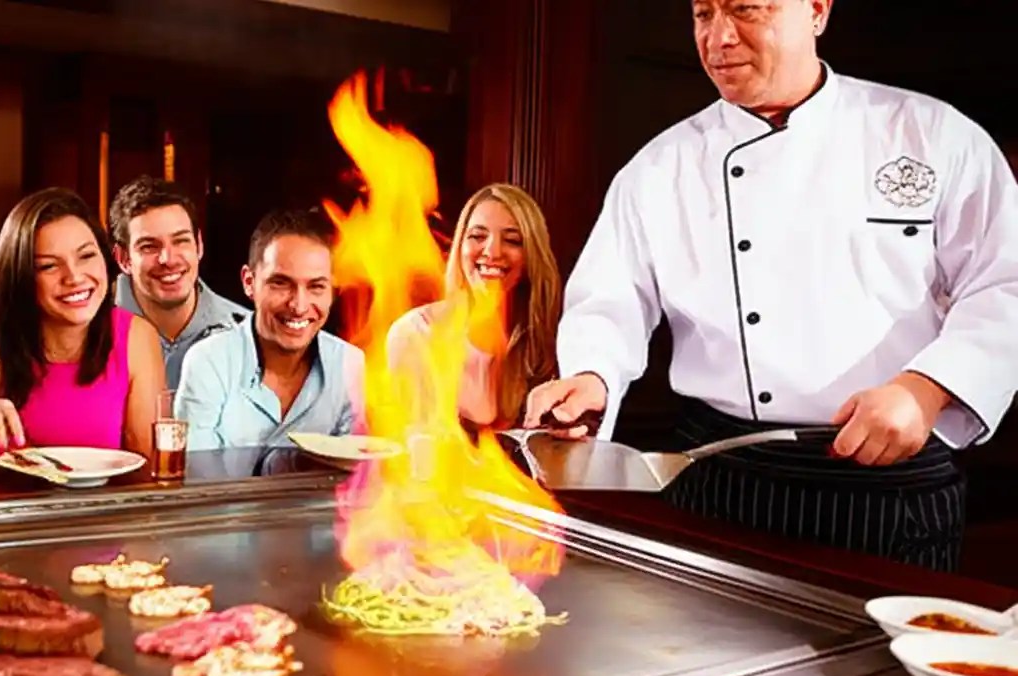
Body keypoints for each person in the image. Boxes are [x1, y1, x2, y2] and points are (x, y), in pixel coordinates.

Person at [524, 0, 1018, 571]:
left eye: (746, 10)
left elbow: (1004, 284)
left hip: (888, 482)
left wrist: (925, 390)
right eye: (703, 14)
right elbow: (610, 299)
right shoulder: (660, 167)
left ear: (817, 10)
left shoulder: (933, 135)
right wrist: (591, 376)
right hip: (722, 474)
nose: (718, 38)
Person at [0, 188, 165, 457]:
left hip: (108, 499)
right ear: (21, 276)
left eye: (86, 256)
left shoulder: (136, 337)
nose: (74, 277)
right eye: (49, 266)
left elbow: (148, 468)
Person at [174, 208, 364, 450]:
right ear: (249, 282)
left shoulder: (350, 365)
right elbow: (196, 472)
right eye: (281, 283)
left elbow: (355, 474)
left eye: (316, 287)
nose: (298, 305)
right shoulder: (209, 361)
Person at [386, 183, 561, 432]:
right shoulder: (416, 333)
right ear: (460, 246)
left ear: (532, 255)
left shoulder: (551, 340)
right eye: (477, 236)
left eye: (512, 240)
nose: (491, 251)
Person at [108, 176, 247, 390]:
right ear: (123, 259)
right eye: (149, 246)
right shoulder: (92, 335)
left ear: (199, 245)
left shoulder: (247, 334)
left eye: (181, 241)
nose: (168, 259)